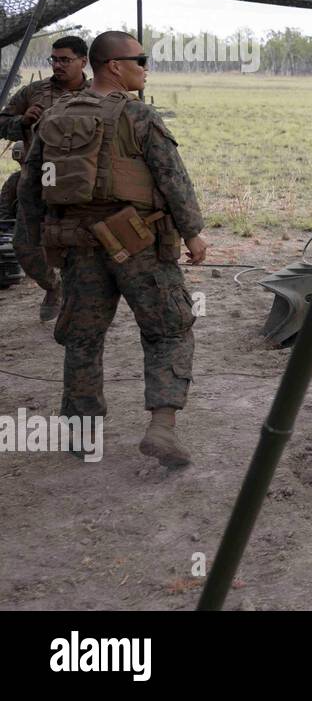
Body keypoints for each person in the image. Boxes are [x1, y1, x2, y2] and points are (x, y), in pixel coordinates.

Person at [18, 31, 208, 467]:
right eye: (139, 59)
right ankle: (161, 427)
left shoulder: (54, 116)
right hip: (136, 242)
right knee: (169, 329)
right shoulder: (138, 116)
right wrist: (193, 233)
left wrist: (38, 250)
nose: (145, 67)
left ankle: (83, 434)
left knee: (83, 339)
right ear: (114, 67)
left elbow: (29, 191)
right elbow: (172, 179)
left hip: (76, 246)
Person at [0, 35, 89, 319]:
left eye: (65, 60)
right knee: (25, 247)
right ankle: (53, 286)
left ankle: (82, 307)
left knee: (79, 248)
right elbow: (2, 124)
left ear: (83, 61)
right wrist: (22, 121)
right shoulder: (33, 92)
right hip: (36, 182)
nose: (58, 65)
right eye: (54, 59)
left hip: (81, 185)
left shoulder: (97, 95)